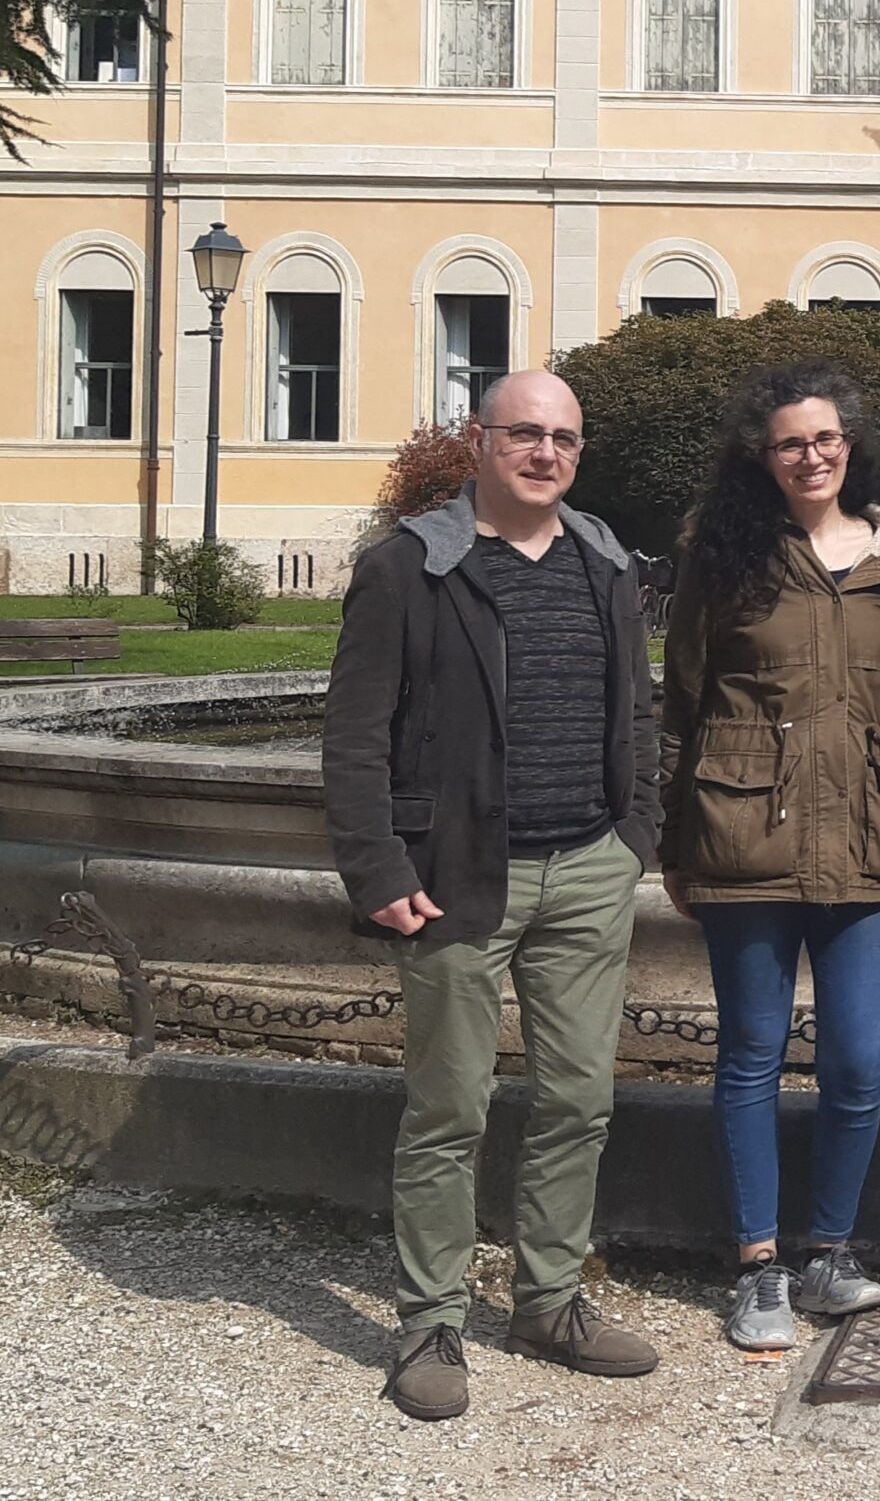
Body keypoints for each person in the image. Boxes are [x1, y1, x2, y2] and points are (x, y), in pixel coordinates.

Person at [321, 369, 661, 1422]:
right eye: (524, 433)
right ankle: (429, 1318)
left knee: (577, 1098)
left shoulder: (605, 561)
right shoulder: (411, 566)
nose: (544, 452)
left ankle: (548, 1299)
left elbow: (636, 713)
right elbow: (354, 735)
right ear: (480, 443)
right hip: (460, 872)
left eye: (562, 436)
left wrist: (633, 833)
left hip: (587, 868)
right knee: (449, 1106)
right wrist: (378, 868)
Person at [659, 364, 880, 1351]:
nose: (810, 455)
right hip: (744, 832)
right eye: (788, 442)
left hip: (865, 831)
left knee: (858, 1059)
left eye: (824, 438)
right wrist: (673, 838)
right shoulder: (724, 555)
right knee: (752, 1055)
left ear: (849, 445)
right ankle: (758, 1263)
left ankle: (831, 1251)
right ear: (762, 456)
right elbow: (682, 700)